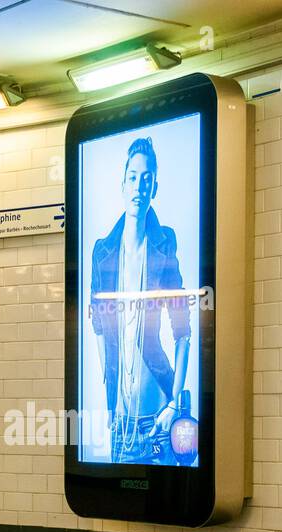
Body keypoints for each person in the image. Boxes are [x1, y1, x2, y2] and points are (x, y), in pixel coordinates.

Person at [88, 137, 191, 464]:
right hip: (121, 422)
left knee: (170, 509)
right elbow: (99, 330)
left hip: (158, 416)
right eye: (133, 177)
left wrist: (174, 403)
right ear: (123, 184)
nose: (139, 186)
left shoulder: (164, 244)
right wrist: (110, 393)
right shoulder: (103, 252)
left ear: (155, 187)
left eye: (146, 179)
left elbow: (183, 329)